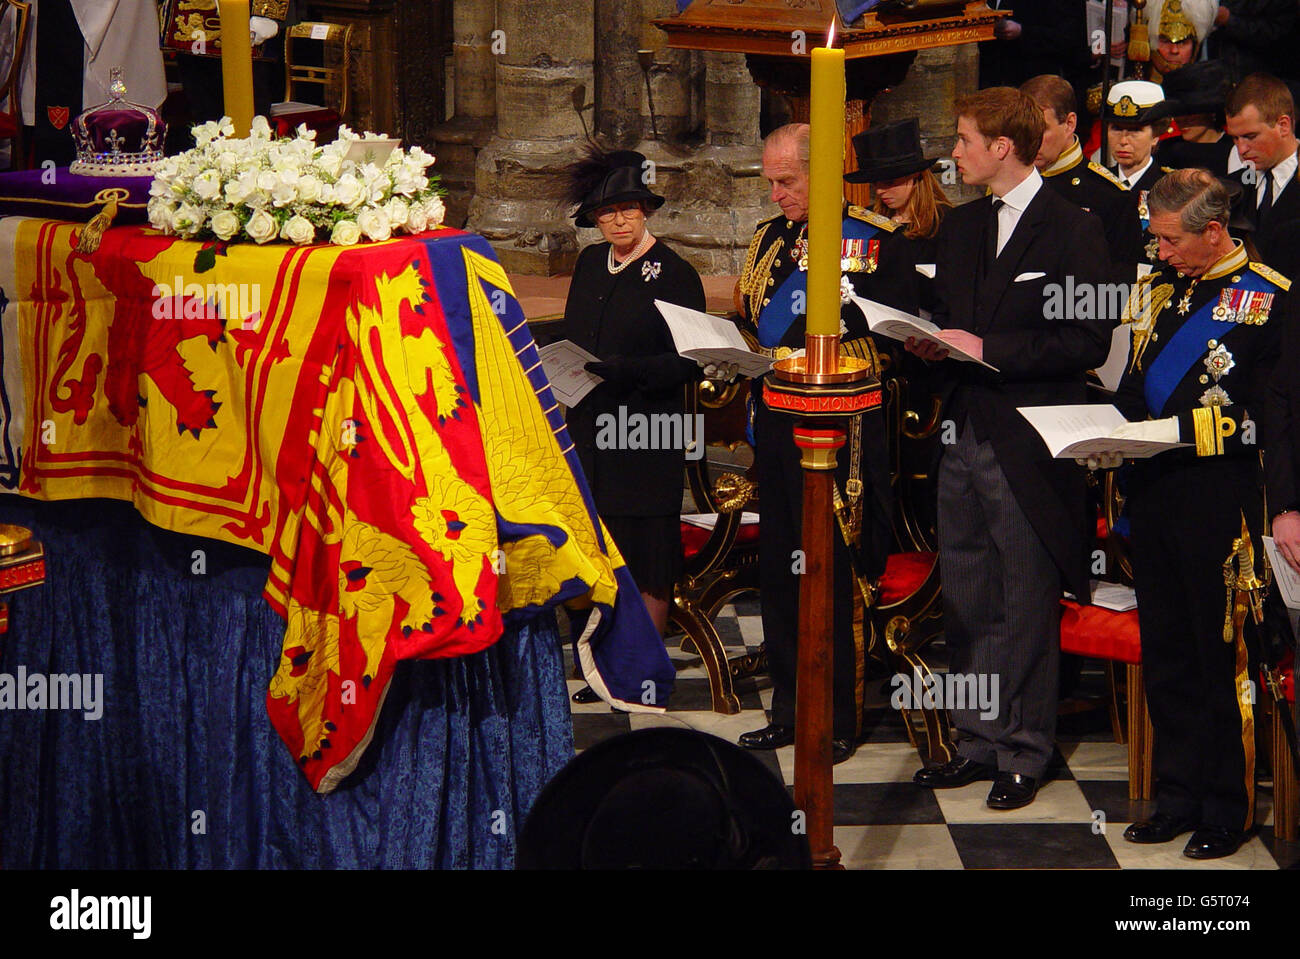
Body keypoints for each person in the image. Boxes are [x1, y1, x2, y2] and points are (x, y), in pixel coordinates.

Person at [903, 88, 1112, 810]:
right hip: (960, 433)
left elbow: (1087, 340)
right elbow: (944, 319)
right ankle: (978, 739)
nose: (953, 152)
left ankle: (1026, 748)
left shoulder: (1073, 228)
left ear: (1002, 147)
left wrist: (986, 347)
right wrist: (924, 339)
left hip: (1029, 442)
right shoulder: (960, 228)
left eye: (963, 139)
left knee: (1023, 600)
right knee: (966, 598)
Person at [1094, 169, 1285, 858]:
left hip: (1219, 499)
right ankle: (1174, 796)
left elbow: (1273, 419)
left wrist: (1179, 438)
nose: (1158, 249)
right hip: (1152, 495)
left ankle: (1225, 808)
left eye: (1170, 239)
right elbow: (1134, 388)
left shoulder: (1271, 300)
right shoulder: (1158, 289)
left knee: (1219, 659)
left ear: (1214, 230)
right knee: (1169, 653)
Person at [732, 123, 902, 765]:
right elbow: (752, 319)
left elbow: (896, 341)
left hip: (842, 428)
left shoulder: (874, 241)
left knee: (833, 568)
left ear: (824, 171)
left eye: (788, 181)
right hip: (774, 421)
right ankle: (789, 706)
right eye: (770, 182)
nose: (776, 194)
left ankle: (836, 715)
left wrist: (805, 355)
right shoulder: (768, 240)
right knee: (780, 566)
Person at [553, 146, 705, 703]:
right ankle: (602, 664)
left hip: (647, 433)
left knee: (646, 553)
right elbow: (576, 337)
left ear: (645, 210)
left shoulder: (676, 273)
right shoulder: (592, 263)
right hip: (590, 425)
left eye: (626, 209)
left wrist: (628, 372)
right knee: (602, 546)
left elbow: (690, 361)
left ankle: (641, 669)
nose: (617, 219)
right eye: (605, 212)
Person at [1021, 74, 1142, 279]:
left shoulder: (1110, 196)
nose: (1029, 140)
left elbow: (1120, 288)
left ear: (1069, 123)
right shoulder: (1007, 183)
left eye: (1041, 129)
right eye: (1022, 129)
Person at [850, 118, 954, 315]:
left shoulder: (948, 222)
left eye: (889, 182)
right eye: (875, 183)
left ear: (915, 176)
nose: (880, 191)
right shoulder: (866, 221)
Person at [1225, 73, 1300, 261]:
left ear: (1283, 125)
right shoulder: (1230, 189)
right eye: (1235, 138)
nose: (1241, 149)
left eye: (1250, 136)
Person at [1156, 59, 1237, 177]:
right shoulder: (1165, 150)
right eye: (1178, 112)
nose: (1183, 119)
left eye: (1191, 113)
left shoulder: (1235, 150)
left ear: (1210, 112)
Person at [1208, 1, 1300, 83]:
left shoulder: (1287, 6)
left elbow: (1271, 35)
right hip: (1211, 37)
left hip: (1238, 63)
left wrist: (1229, 20)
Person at [1144, 0, 1218, 84]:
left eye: (1182, 43)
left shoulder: (1209, 93)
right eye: (1165, 41)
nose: (1174, 50)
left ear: (1195, 46)